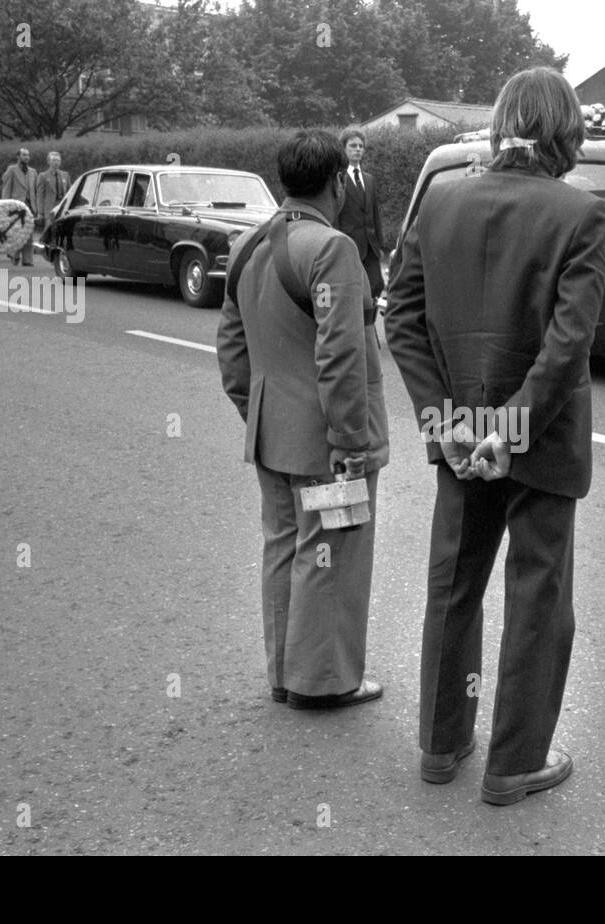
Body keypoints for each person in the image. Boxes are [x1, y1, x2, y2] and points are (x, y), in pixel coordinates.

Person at [385, 67, 605, 805]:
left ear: (503, 121)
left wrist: (444, 421)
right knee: (538, 597)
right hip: (538, 440)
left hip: (459, 433)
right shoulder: (580, 215)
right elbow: (566, 344)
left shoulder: (440, 202)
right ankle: (514, 762)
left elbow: (402, 320)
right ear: (565, 131)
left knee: (453, 585)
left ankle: (441, 744)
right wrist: (510, 430)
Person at [217, 129, 389, 711]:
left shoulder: (247, 246)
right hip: (329, 442)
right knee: (331, 554)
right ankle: (325, 681)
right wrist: (348, 439)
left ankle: (284, 675)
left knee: (285, 548)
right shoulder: (331, 249)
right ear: (338, 182)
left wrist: (259, 414)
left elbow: (232, 350)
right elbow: (340, 353)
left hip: (271, 433)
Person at [334, 128, 386, 302]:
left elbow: (374, 213)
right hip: (349, 245)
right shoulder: (337, 179)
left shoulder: (369, 179)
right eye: (353, 145)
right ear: (344, 148)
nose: (358, 149)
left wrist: (379, 244)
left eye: (361, 146)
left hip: (370, 247)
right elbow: (335, 215)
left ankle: (369, 326)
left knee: (376, 287)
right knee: (353, 293)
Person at [0, 147, 38, 265]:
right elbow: (6, 188)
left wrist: (36, 206)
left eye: (27, 155)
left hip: (29, 205)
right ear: (18, 157)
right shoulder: (12, 170)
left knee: (29, 232)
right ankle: (14, 254)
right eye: (24, 155)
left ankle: (28, 260)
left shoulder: (33, 172)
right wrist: (5, 205)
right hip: (16, 205)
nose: (26, 157)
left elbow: (35, 191)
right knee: (16, 231)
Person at [36, 151, 71, 232]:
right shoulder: (43, 176)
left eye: (58, 160)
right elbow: (40, 195)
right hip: (50, 209)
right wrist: (40, 213)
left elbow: (70, 192)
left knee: (62, 231)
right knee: (49, 230)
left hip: (63, 207)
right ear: (49, 162)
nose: (56, 163)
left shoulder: (65, 175)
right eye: (54, 160)